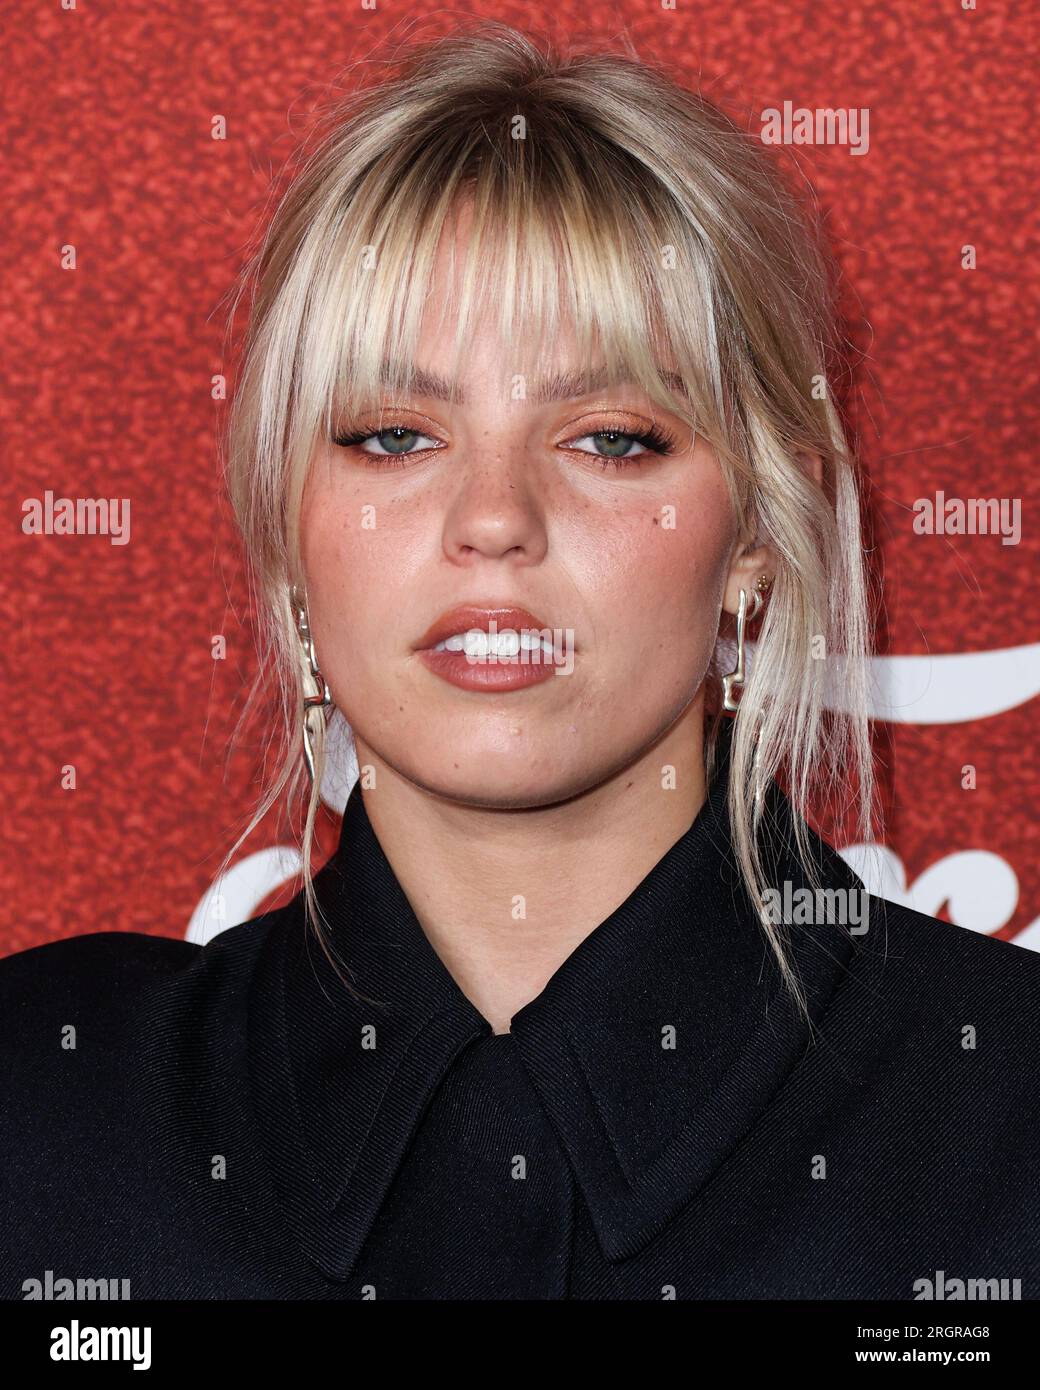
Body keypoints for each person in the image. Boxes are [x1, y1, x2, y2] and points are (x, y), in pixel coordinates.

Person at [3, 20, 1039, 1302]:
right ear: (286, 529)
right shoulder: (45, 1105)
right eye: (392, 435)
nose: (492, 518)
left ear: (757, 540)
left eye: (610, 437)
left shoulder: (1002, 1120)